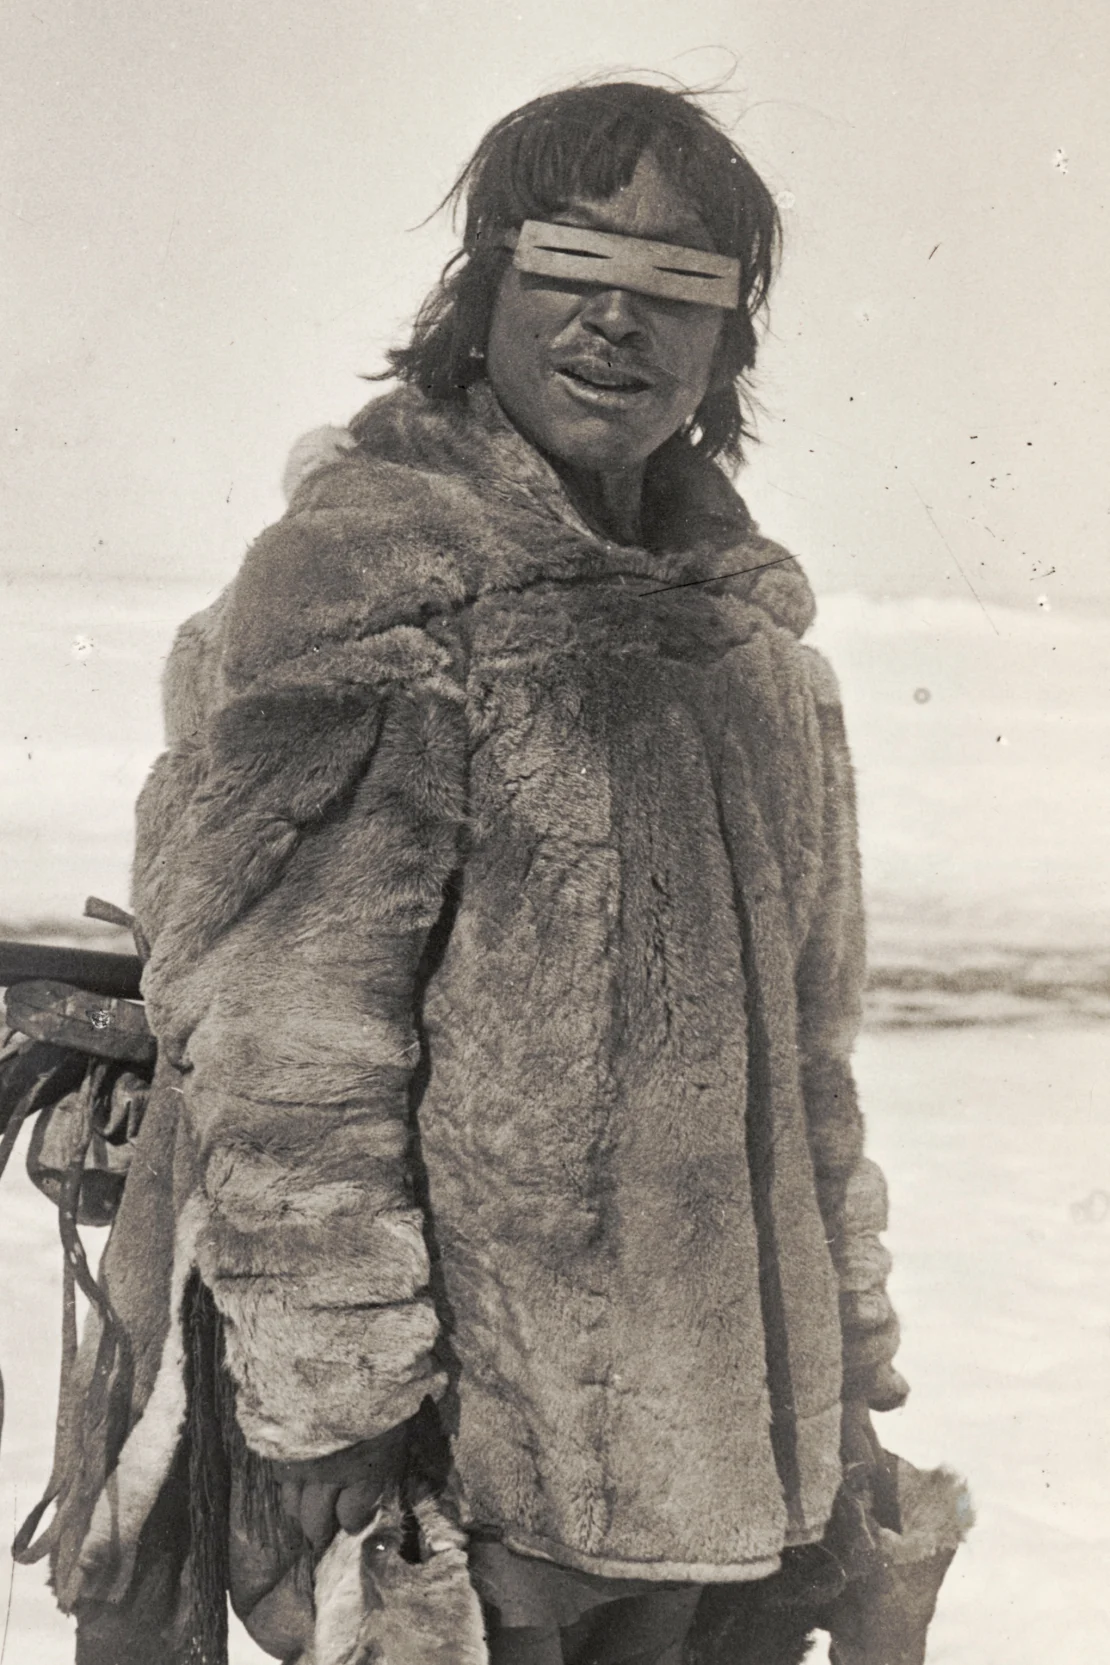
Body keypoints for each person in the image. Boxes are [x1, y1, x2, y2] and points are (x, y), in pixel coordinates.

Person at [44, 81, 950, 1665]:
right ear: (482, 286)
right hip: (483, 1464)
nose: (619, 318)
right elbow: (284, 1045)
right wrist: (331, 1392)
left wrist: (847, 1345)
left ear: (729, 340)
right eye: (570, 260)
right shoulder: (371, 590)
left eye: (680, 283)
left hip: (737, 1442)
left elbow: (806, 1061)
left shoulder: (752, 657)